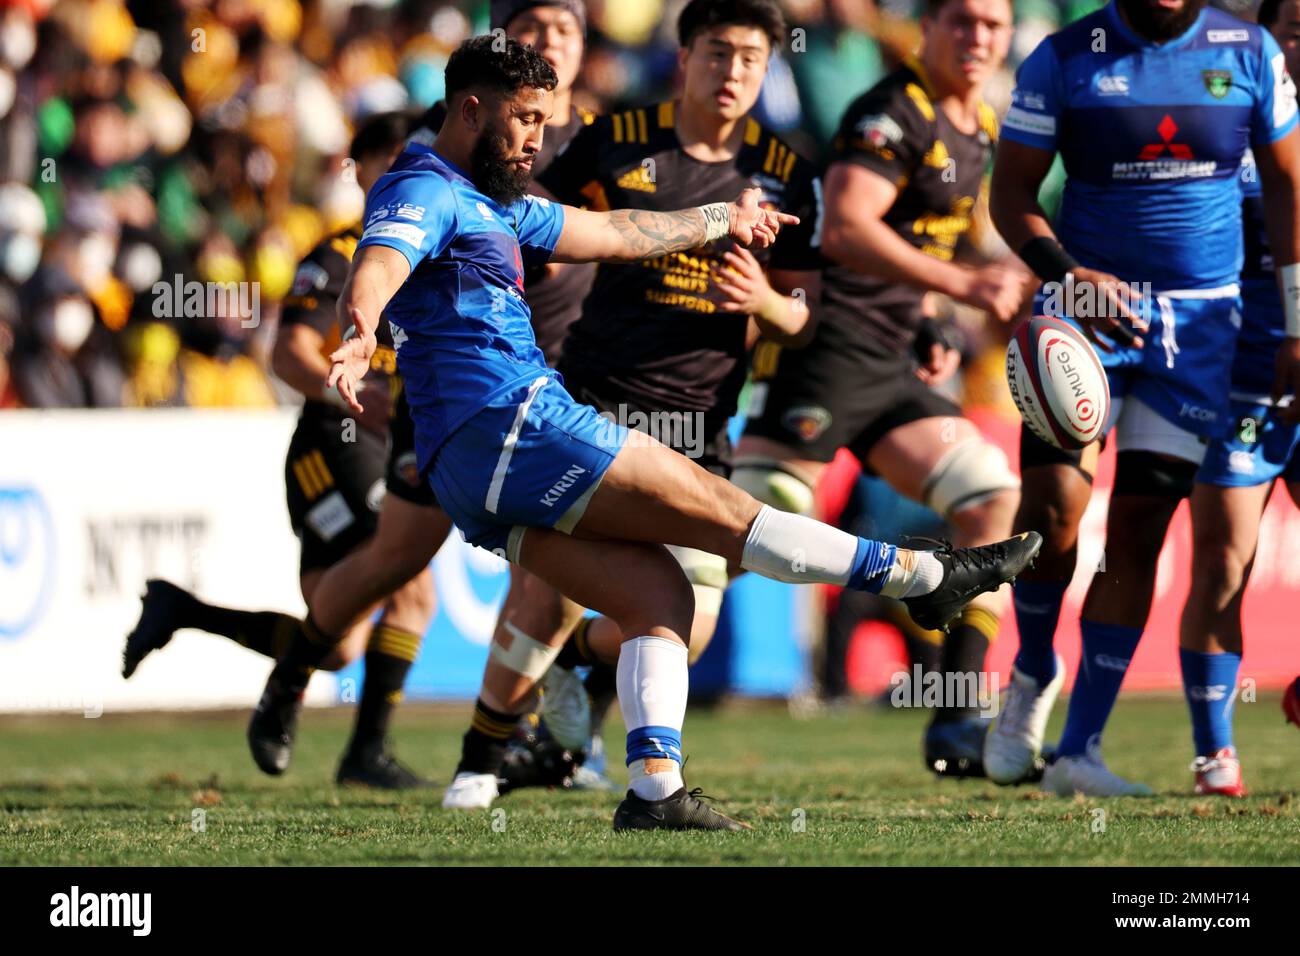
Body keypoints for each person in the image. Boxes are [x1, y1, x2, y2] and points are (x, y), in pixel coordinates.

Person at [312, 33, 1041, 830]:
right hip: (513, 422)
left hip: (473, 471)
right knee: (722, 514)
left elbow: (617, 234)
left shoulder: (499, 201)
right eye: (524, 121)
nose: (538, 140)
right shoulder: (423, 186)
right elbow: (381, 259)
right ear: (472, 109)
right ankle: (928, 580)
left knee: (661, 595)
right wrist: (358, 328)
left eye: (545, 121)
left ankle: (655, 790)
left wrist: (722, 217)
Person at [443, 0, 825, 810]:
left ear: (768, 68)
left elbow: (803, 319)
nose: (733, 73)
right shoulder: (617, 141)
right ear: (683, 59)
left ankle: (587, 662)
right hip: (599, 399)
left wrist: (768, 302)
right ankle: (481, 761)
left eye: (751, 58)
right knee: (540, 596)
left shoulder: (787, 170)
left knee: (690, 626)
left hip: (701, 421)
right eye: (716, 54)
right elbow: (531, 213)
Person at [983, 0, 1300, 795]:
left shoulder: (1249, 51)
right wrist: (1066, 273)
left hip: (1197, 336)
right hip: (1082, 317)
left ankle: (1080, 753)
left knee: (1139, 536)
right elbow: (1010, 194)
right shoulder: (1063, 56)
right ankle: (1029, 669)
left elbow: (1292, 189)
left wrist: (1298, 320)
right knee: (1054, 508)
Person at [735, 0, 1027, 777]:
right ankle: (579, 689)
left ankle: (959, 715)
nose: (977, 39)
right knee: (733, 545)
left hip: (896, 360)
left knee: (991, 496)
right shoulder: (892, 111)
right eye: (960, 21)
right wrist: (963, 287)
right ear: (924, 29)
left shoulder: (980, 126)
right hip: (826, 348)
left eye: (992, 26)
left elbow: (920, 240)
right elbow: (849, 230)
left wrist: (935, 318)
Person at [122, 111, 453, 789]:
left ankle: (183, 612)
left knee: (342, 648)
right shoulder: (337, 253)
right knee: (414, 588)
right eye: (388, 162)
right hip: (336, 443)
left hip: (391, 445)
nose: (403, 176)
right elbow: (288, 350)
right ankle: (367, 753)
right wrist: (360, 393)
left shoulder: (432, 253)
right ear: (356, 171)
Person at [1176, 0, 1300, 798]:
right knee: (1224, 561)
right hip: (1244, 375)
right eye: (1291, 24)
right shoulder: (1221, 117)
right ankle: (1214, 753)